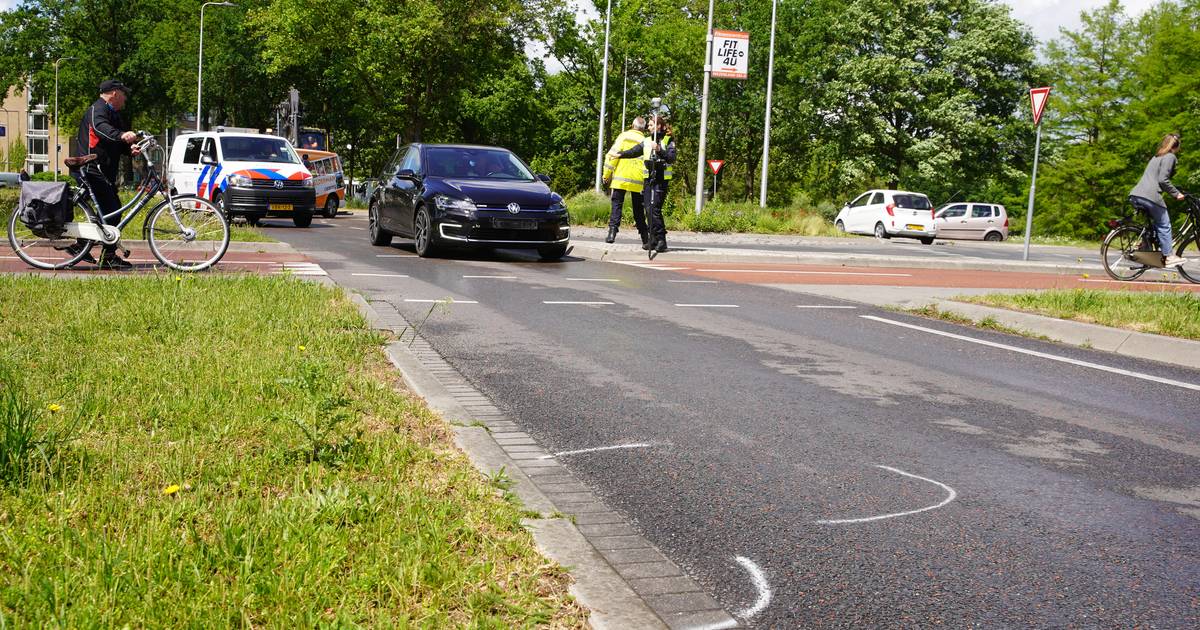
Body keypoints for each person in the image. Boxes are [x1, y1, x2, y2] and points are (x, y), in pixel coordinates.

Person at [70, 79, 140, 269]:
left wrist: (128, 148)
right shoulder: (98, 109)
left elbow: (114, 141)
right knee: (112, 208)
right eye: (123, 94)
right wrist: (122, 135)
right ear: (115, 93)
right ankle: (102, 253)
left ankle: (85, 247)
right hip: (90, 168)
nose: (125, 98)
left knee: (111, 210)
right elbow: (101, 129)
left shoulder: (114, 114)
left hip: (103, 169)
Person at [611, 115, 676, 254]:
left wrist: (659, 150)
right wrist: (620, 154)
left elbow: (671, 158)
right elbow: (634, 151)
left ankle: (661, 240)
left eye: (651, 125)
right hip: (648, 180)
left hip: (660, 180)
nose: (648, 127)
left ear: (658, 126)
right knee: (648, 209)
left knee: (655, 209)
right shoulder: (646, 141)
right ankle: (652, 239)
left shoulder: (668, 140)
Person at [1130, 133, 1186, 267]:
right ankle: (1169, 256)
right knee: (1164, 224)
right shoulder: (1170, 156)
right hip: (1150, 196)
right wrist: (1176, 194)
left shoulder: (1157, 156)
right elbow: (1162, 179)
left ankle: (1144, 245)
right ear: (1176, 146)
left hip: (1136, 194)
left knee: (1154, 225)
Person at [603, 117, 648, 245]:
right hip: (638, 179)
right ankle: (645, 238)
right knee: (638, 209)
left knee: (616, 205)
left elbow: (611, 156)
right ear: (643, 128)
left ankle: (612, 233)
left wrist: (606, 175)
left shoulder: (623, 136)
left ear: (632, 125)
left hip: (620, 178)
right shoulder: (645, 140)